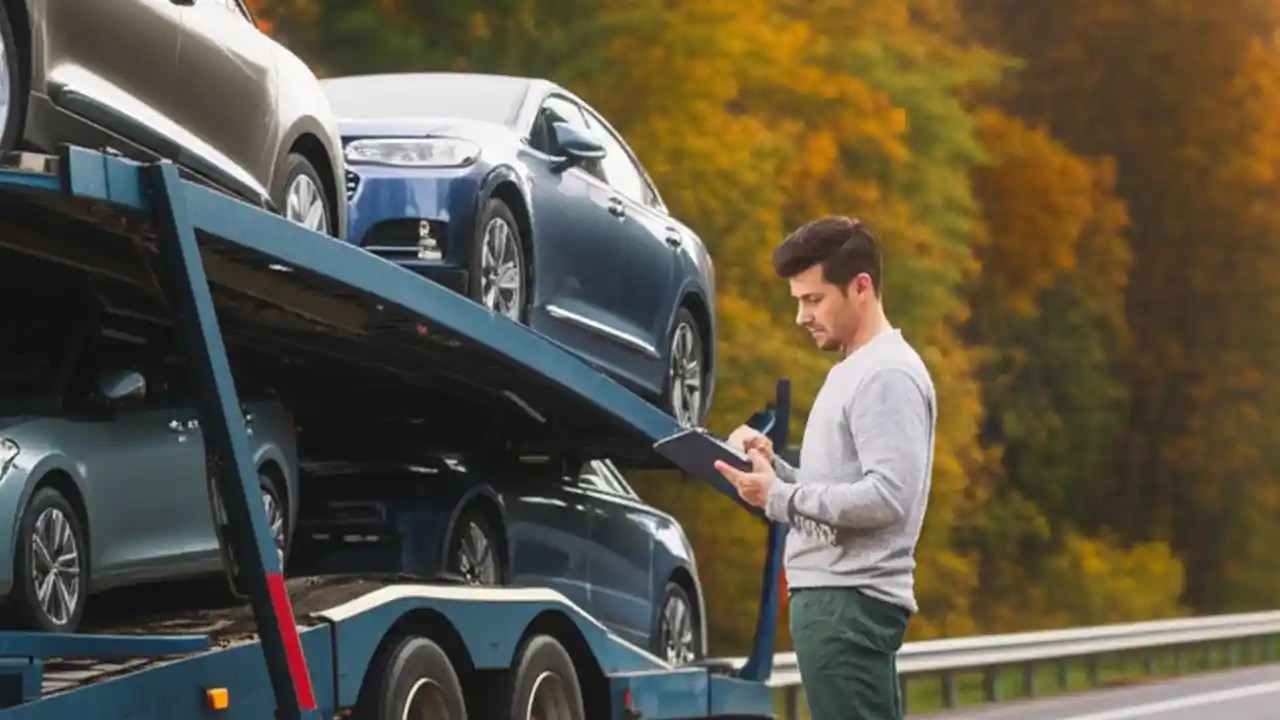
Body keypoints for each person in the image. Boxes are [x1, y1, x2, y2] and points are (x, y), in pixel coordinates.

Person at [716, 216, 936, 720]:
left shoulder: (887, 375)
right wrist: (775, 471)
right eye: (798, 301)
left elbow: (887, 497)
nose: (801, 316)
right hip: (835, 604)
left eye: (813, 300)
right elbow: (841, 489)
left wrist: (778, 497)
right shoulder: (854, 371)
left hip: (849, 605)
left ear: (861, 287)